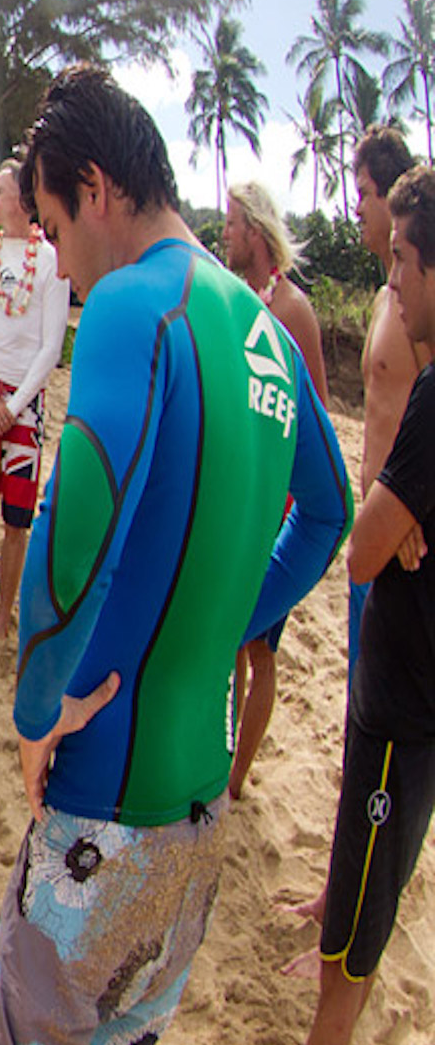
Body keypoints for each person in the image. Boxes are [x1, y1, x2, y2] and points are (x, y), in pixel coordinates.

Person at [0, 63, 349, 1045]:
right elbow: (328, 511)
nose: (59, 264)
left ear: (96, 188)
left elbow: (73, 528)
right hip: (197, 824)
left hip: (101, 816)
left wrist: (33, 712)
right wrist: (223, 623)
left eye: (56, 228)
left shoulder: (135, 303)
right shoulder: (264, 329)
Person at [296, 163, 435, 1045]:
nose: (392, 283)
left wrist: (393, 514)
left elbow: (362, 550)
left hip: (402, 707)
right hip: (410, 702)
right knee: (359, 927)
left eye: (401, 262)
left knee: (343, 970)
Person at [222, 179, 327, 800]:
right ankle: (221, 751)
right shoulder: (238, 300)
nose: (225, 233)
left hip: (277, 508)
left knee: (260, 644)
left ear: (256, 232)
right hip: (241, 498)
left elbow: (315, 419)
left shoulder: (292, 310)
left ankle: (237, 778)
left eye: (233, 223)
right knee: (230, 634)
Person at [0, 160, 70, 638]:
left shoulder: (51, 261)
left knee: (17, 517)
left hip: (26, 404)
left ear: (22, 200)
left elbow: (51, 346)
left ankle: (4, 616)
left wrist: (15, 405)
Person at [348, 126, 427, 678]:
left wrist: (414, 506)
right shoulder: (387, 300)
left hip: (406, 545)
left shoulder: (417, 311)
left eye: (363, 193)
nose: (356, 209)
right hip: (380, 532)